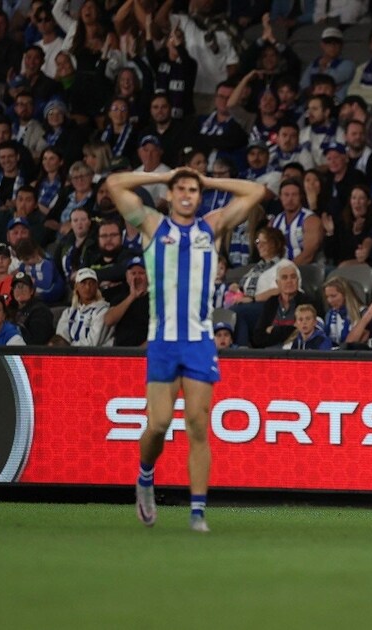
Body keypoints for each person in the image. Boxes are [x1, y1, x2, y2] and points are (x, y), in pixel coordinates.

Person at [106, 164, 266, 533]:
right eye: (181, 189)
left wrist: (208, 180)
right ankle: (145, 476)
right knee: (159, 423)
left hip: (199, 341)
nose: (187, 195)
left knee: (198, 426)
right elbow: (114, 182)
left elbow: (255, 191)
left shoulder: (211, 226)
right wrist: (160, 178)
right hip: (163, 341)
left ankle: (197, 513)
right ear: (171, 193)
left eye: (193, 190)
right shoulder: (152, 225)